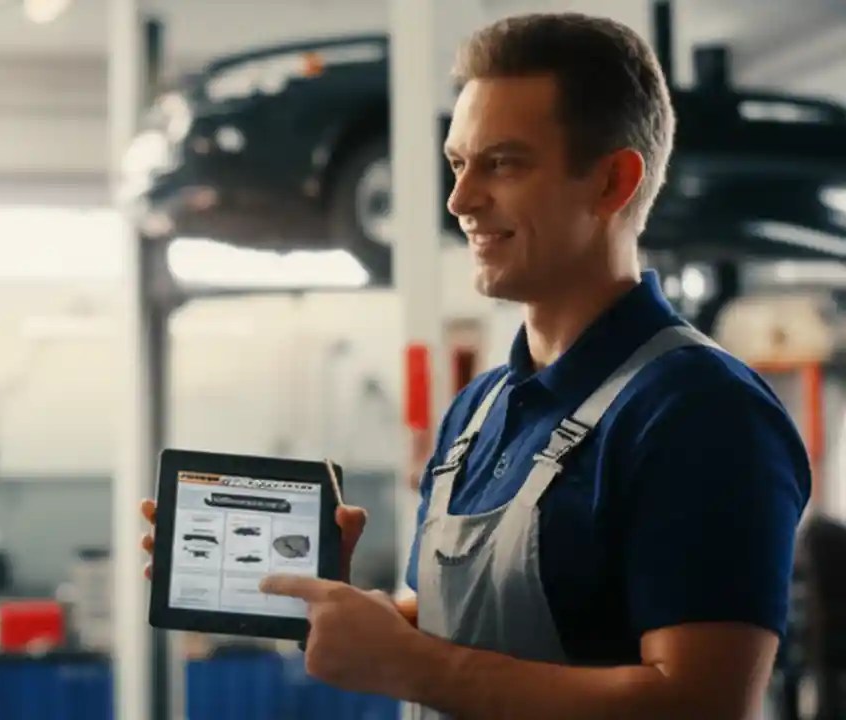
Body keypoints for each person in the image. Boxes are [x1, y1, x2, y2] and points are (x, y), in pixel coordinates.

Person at [142, 12, 811, 719]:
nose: (460, 201)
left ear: (613, 181)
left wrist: (415, 664)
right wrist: (323, 599)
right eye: (459, 163)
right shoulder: (480, 409)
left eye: (503, 163)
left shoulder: (701, 411)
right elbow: (456, 638)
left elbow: (699, 704)